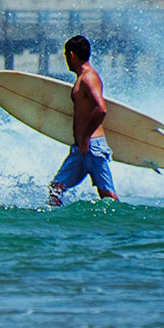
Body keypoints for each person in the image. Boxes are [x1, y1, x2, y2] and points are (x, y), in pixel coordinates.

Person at [47, 36, 115, 206]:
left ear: (72, 55)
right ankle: (59, 223)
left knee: (107, 193)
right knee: (56, 189)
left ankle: (122, 224)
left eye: (65, 55)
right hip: (81, 148)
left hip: (92, 145)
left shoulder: (88, 78)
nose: (66, 60)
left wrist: (85, 137)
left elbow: (101, 108)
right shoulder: (81, 78)